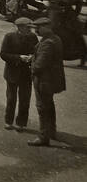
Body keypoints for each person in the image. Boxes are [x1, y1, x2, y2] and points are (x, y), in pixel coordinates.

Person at [27, 17, 65, 147]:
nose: (36, 30)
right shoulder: (55, 38)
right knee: (49, 105)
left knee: (42, 107)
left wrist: (31, 66)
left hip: (44, 81)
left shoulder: (48, 43)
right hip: (52, 79)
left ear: (46, 27)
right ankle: (51, 131)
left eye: (38, 28)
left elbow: (39, 65)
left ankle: (43, 137)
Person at [0, 17, 38, 132]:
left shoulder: (33, 37)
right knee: (11, 99)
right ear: (20, 27)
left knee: (25, 100)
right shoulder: (9, 37)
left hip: (26, 74)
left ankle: (21, 123)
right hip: (12, 73)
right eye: (28, 27)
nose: (30, 30)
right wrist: (19, 58)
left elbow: (37, 51)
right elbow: (3, 54)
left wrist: (32, 57)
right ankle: (8, 121)